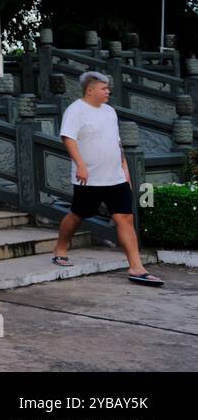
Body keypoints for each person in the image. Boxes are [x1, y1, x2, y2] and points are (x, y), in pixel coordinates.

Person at [52, 71, 163, 285]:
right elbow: (68, 139)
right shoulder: (75, 110)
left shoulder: (110, 111)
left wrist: (125, 171)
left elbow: (116, 143)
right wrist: (81, 165)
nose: (108, 92)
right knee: (77, 214)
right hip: (89, 178)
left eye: (108, 88)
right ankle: (60, 248)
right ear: (90, 90)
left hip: (115, 177)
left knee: (125, 218)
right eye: (104, 88)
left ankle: (136, 267)